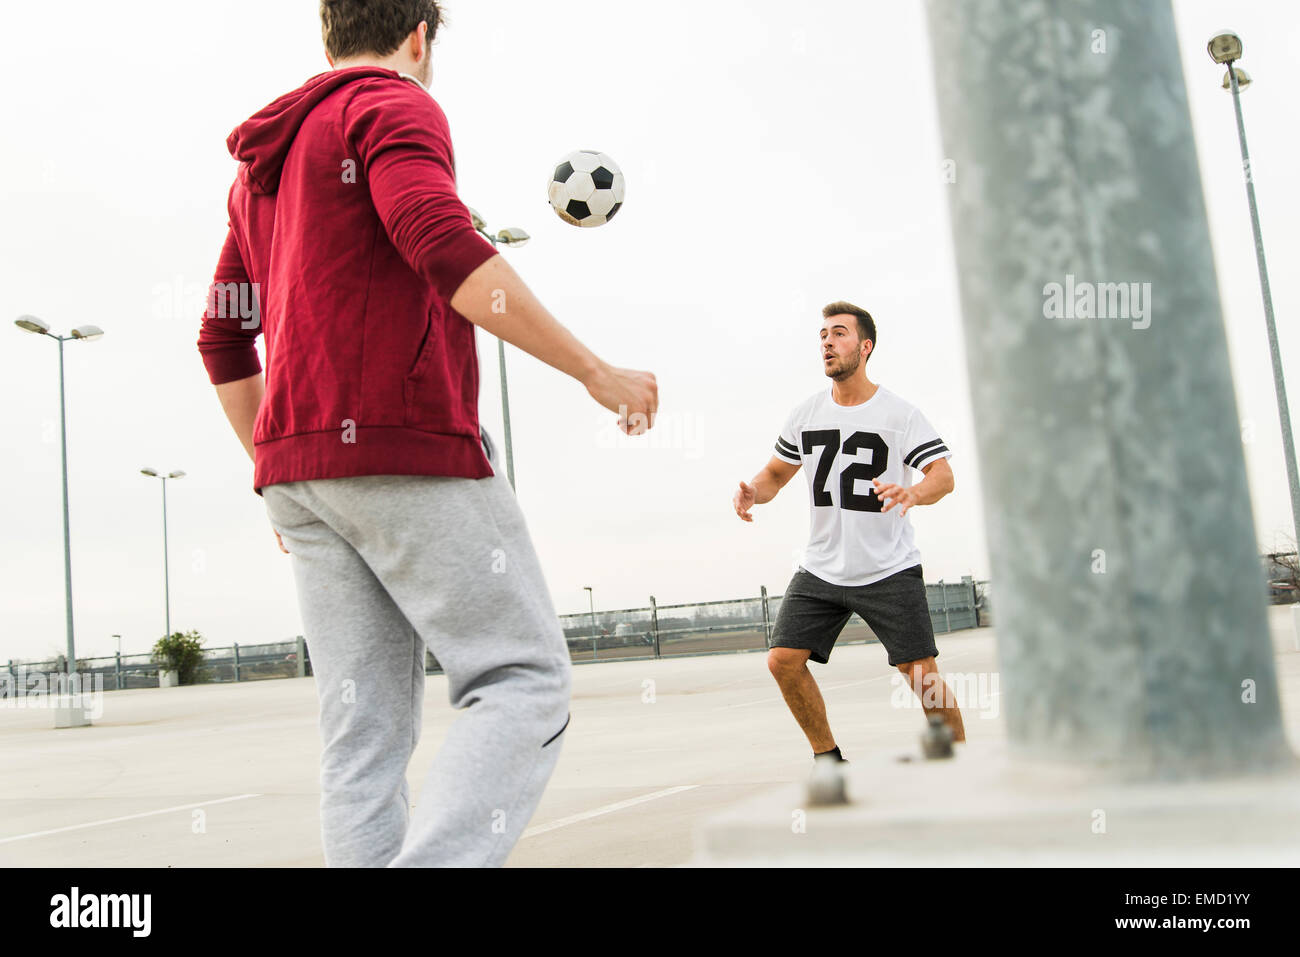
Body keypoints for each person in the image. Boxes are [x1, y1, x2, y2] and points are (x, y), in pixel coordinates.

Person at [197, 0, 656, 867]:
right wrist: (595, 370)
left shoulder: (262, 162)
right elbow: (439, 242)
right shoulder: (394, 104)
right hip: (401, 442)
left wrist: (279, 464)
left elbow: (222, 335)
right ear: (419, 37)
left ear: (326, 36)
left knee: (361, 730)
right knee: (523, 678)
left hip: (299, 472)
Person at [733, 301, 964, 762]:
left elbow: (943, 476)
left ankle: (961, 767)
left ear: (865, 346)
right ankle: (829, 761)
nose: (827, 343)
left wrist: (913, 494)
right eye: (822, 336)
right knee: (783, 661)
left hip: (888, 568)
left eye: (838, 334)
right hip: (821, 568)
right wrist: (753, 492)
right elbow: (776, 475)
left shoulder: (900, 414)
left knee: (920, 674)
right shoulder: (805, 415)